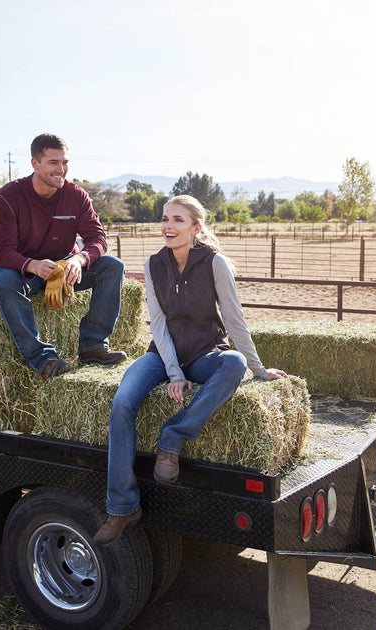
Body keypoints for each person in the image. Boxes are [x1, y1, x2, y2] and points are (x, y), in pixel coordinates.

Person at [93, 194, 287, 546]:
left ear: (196, 228)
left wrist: (258, 371)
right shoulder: (153, 264)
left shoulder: (215, 264)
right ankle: (121, 506)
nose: (168, 225)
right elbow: (159, 324)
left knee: (234, 364)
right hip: (161, 354)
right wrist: (173, 372)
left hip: (204, 352)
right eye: (165, 218)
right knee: (122, 401)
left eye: (178, 220)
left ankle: (173, 438)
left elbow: (233, 320)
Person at [0, 133, 127, 380]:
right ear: (35, 164)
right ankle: (42, 359)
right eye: (54, 162)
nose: (61, 169)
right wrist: (31, 265)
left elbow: (98, 239)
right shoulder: (7, 197)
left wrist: (79, 259)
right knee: (2, 280)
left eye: (65, 163)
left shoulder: (76, 196)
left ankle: (92, 346)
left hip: (64, 267)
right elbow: (1, 251)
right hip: (24, 270)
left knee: (113, 267)